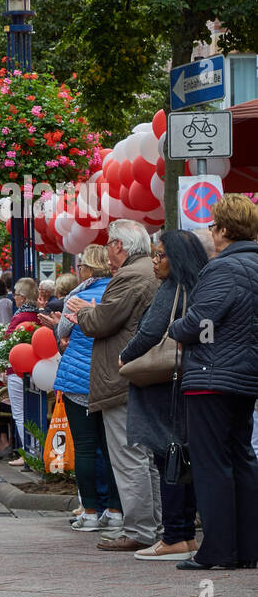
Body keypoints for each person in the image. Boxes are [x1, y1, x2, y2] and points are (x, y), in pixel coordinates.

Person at [168, 194, 258, 570]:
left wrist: (177, 327)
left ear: (223, 229)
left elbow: (200, 323)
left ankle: (218, 550)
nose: (210, 232)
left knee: (211, 464)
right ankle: (247, 548)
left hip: (211, 375)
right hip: (244, 376)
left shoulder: (225, 268)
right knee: (241, 458)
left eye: (212, 226)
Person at [71, 219, 161, 553]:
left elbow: (102, 322)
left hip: (121, 376)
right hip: (140, 375)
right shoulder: (148, 272)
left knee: (128, 455)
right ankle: (153, 524)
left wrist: (84, 312)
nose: (107, 249)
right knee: (144, 455)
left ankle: (139, 528)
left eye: (109, 243)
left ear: (119, 246)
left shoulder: (129, 276)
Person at [120, 230, 208, 561]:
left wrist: (125, 356)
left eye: (160, 255)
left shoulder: (172, 289)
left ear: (177, 259)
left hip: (164, 385)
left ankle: (174, 536)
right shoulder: (202, 285)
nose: (154, 262)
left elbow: (150, 331)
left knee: (168, 457)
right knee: (184, 456)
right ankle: (185, 535)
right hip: (190, 380)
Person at [53, 246, 120, 532]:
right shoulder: (119, 292)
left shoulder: (77, 296)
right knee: (113, 449)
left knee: (84, 448)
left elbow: (62, 334)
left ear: (88, 269)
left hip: (77, 381)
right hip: (111, 376)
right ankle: (116, 511)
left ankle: (90, 511)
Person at [3, 277, 42, 466]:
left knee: (20, 413)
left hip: (18, 369)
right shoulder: (39, 315)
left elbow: (7, 341)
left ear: (23, 297)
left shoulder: (20, 316)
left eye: (16, 294)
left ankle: (28, 453)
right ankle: (36, 450)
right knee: (34, 411)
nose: (14, 298)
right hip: (37, 370)